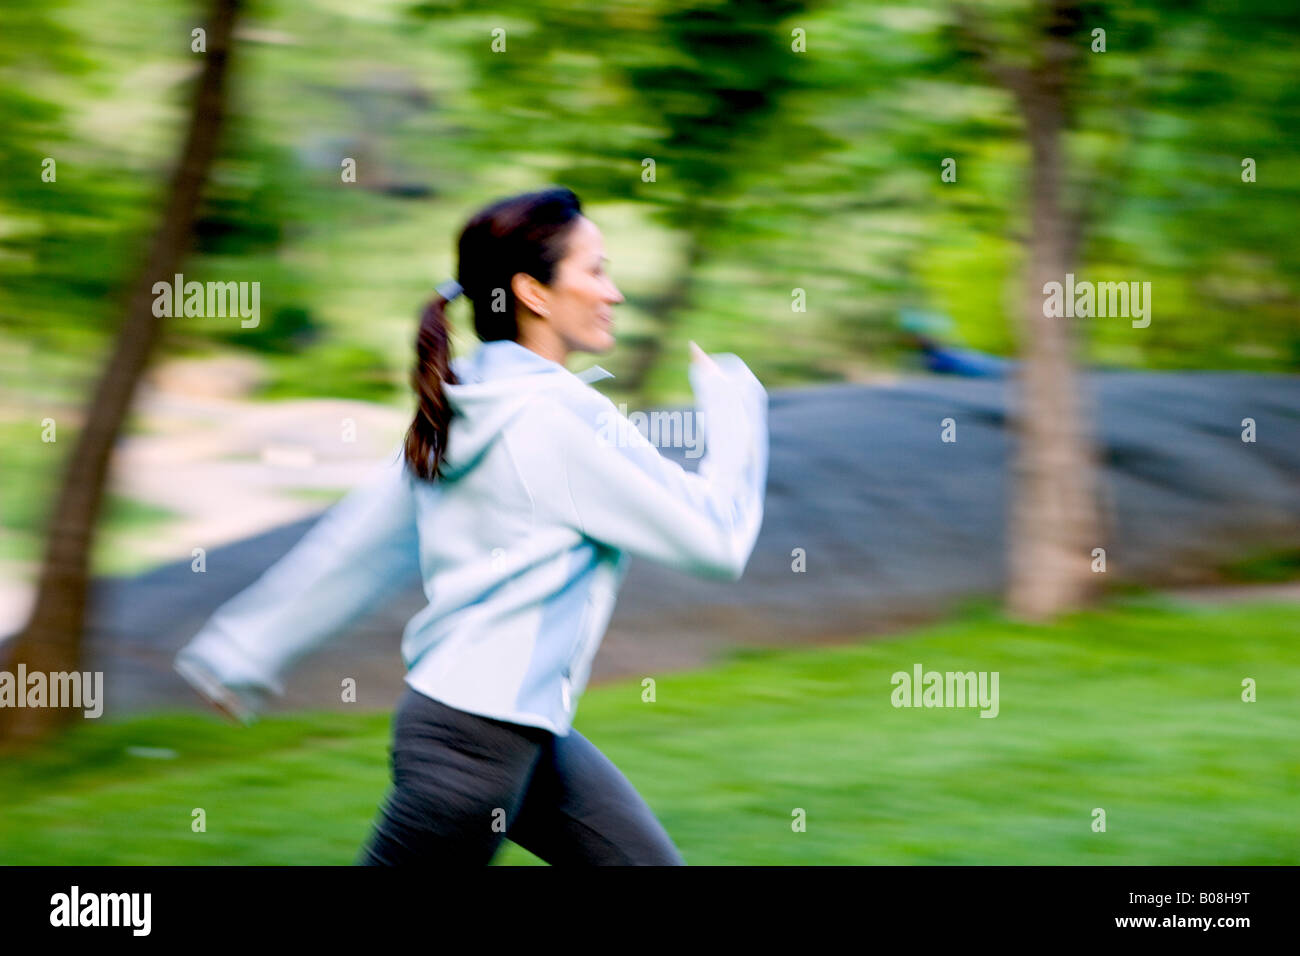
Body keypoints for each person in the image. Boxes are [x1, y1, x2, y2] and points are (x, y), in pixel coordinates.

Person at [173, 186, 770, 866]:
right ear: (533, 293)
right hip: (472, 749)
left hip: (514, 731)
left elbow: (359, 544)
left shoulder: (466, 397)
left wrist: (243, 653)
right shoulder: (556, 416)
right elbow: (717, 540)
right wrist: (735, 411)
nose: (615, 293)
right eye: (596, 270)